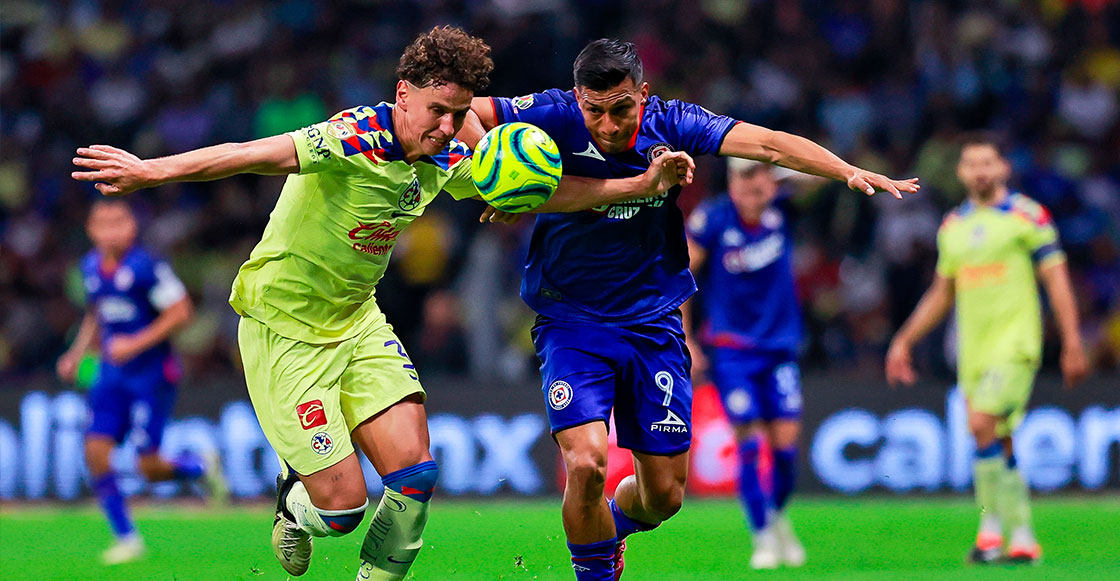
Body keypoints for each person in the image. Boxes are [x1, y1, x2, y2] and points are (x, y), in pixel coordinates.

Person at [72, 26, 695, 581]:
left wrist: (638, 185)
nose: (447, 127)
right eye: (436, 111)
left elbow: (545, 194)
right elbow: (251, 154)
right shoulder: (354, 136)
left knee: (416, 477)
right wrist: (153, 172)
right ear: (403, 94)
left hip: (357, 320)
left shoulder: (448, 151)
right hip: (282, 325)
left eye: (457, 114)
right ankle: (296, 501)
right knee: (342, 511)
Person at [465, 38, 919, 580]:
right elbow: (469, 111)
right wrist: (491, 171)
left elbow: (768, 145)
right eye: (595, 111)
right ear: (577, 98)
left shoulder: (674, 122)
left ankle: (610, 527)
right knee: (585, 464)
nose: (608, 125)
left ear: (644, 94)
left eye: (622, 109)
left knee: (664, 498)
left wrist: (844, 170)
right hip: (572, 321)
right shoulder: (552, 114)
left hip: (653, 321)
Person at [885, 135, 1089, 564]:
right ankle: (1024, 538)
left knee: (981, 423)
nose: (979, 171)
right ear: (960, 172)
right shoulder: (953, 226)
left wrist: (1072, 341)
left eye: (987, 163)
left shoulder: (1028, 216)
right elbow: (942, 294)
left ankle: (989, 533)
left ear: (1002, 168)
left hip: (1016, 344)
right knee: (1001, 437)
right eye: (971, 164)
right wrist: (904, 339)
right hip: (972, 349)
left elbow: (1057, 280)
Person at [56, 199, 226, 565]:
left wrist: (135, 342)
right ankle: (127, 539)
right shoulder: (90, 268)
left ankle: (198, 466)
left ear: (131, 227)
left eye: (118, 221)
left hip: (152, 375)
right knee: (95, 451)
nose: (111, 229)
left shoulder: (146, 266)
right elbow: (96, 314)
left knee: (148, 468)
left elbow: (181, 311)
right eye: (102, 222)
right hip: (111, 375)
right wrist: (77, 353)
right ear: (91, 229)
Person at [682, 159, 808, 569]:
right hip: (731, 349)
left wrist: (780, 173)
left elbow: (822, 179)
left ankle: (775, 516)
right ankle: (762, 537)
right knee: (751, 445)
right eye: (744, 175)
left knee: (786, 451)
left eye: (760, 175)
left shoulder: (783, 208)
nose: (753, 184)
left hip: (780, 347)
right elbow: (680, 275)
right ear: (731, 181)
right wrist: (685, 337)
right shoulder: (712, 219)